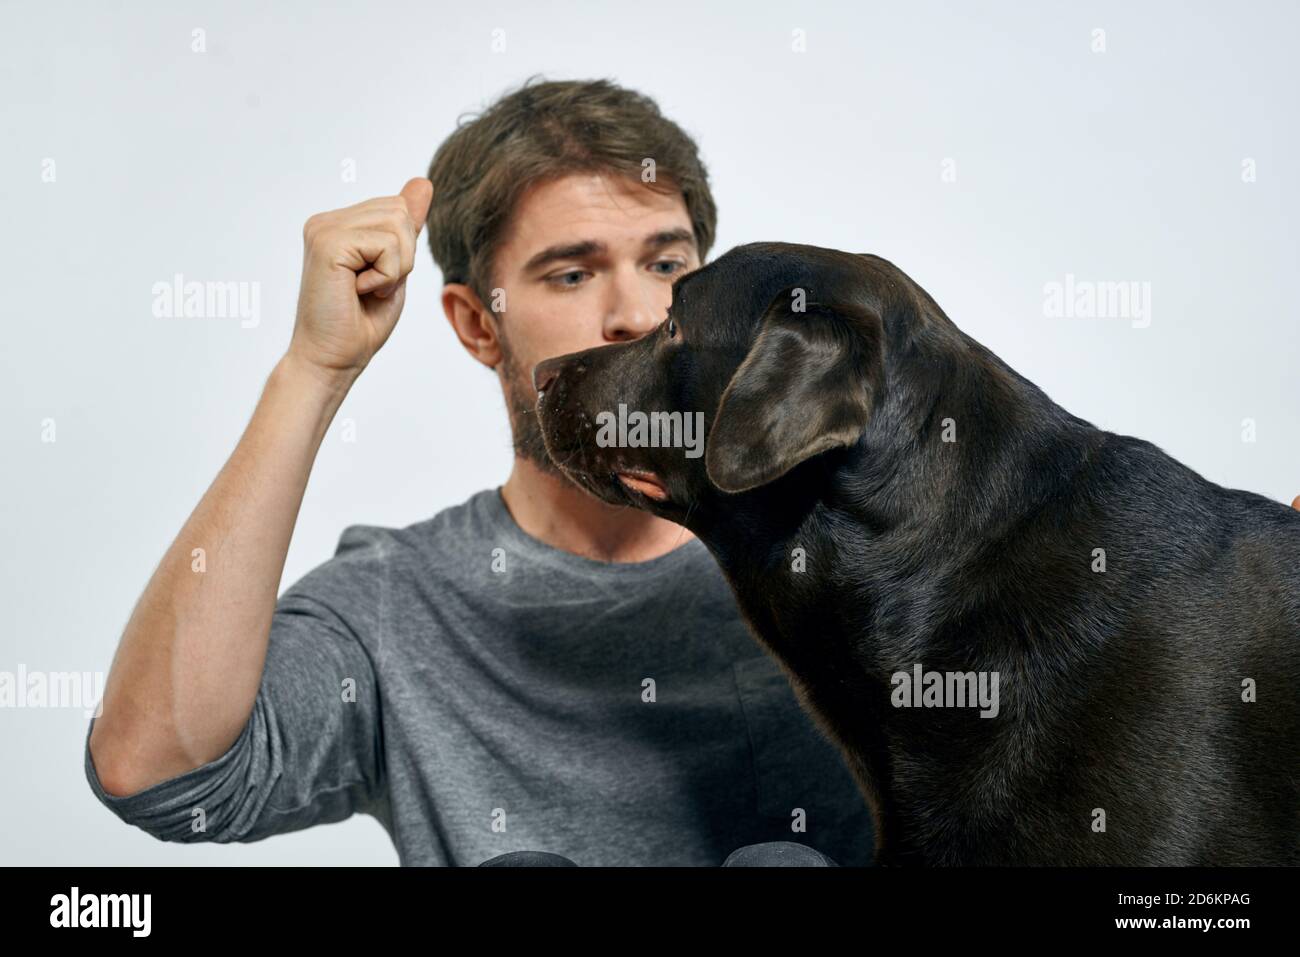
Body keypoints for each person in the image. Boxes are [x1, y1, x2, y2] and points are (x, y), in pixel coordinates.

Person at [83, 76, 877, 867]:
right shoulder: (401, 604)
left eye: (667, 263)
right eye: (572, 273)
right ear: (476, 324)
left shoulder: (836, 557)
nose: (636, 313)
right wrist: (313, 370)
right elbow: (154, 766)